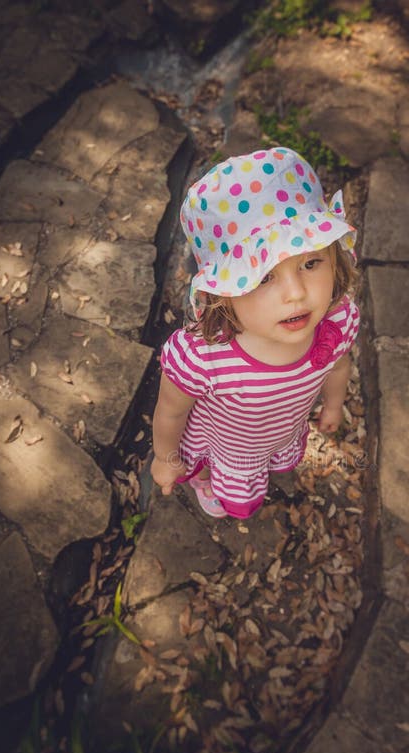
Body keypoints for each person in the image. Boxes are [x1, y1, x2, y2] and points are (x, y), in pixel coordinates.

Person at [151, 146, 359, 519]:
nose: (296, 293)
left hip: (282, 430)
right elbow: (169, 413)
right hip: (224, 444)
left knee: (270, 459)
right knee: (217, 474)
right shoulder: (203, 357)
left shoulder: (338, 321)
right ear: (222, 294)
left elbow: (338, 365)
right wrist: (165, 459)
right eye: (262, 277)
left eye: (310, 262)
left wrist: (333, 403)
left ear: (334, 257)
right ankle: (208, 480)